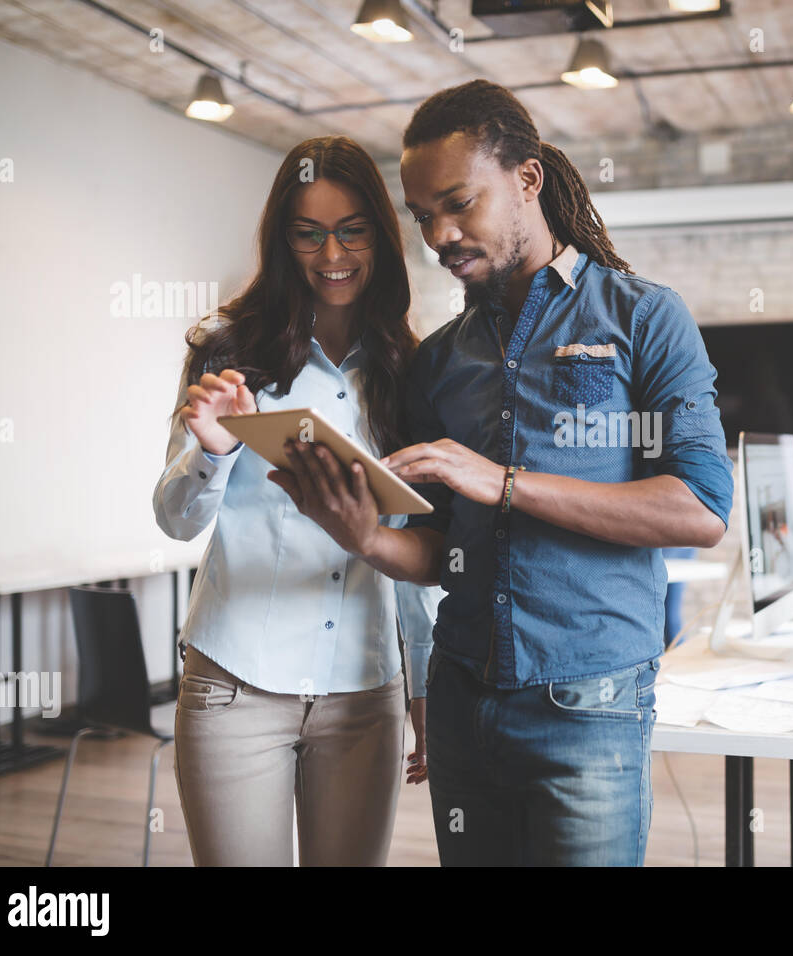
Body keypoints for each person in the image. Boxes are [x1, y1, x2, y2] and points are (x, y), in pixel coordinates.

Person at [267, 80, 733, 865]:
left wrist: (505, 481)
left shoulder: (644, 319)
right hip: (460, 702)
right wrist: (363, 536)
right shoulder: (439, 361)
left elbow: (700, 510)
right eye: (422, 217)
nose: (440, 233)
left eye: (458, 203)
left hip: (587, 710)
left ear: (527, 181)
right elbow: (435, 547)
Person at [153, 135, 442, 866]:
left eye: (351, 229)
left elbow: (405, 541)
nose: (330, 253)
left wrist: (426, 686)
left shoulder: (410, 370)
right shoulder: (227, 349)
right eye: (307, 233)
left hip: (362, 694)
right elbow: (176, 519)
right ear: (283, 240)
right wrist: (213, 450)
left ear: (379, 234)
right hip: (234, 686)